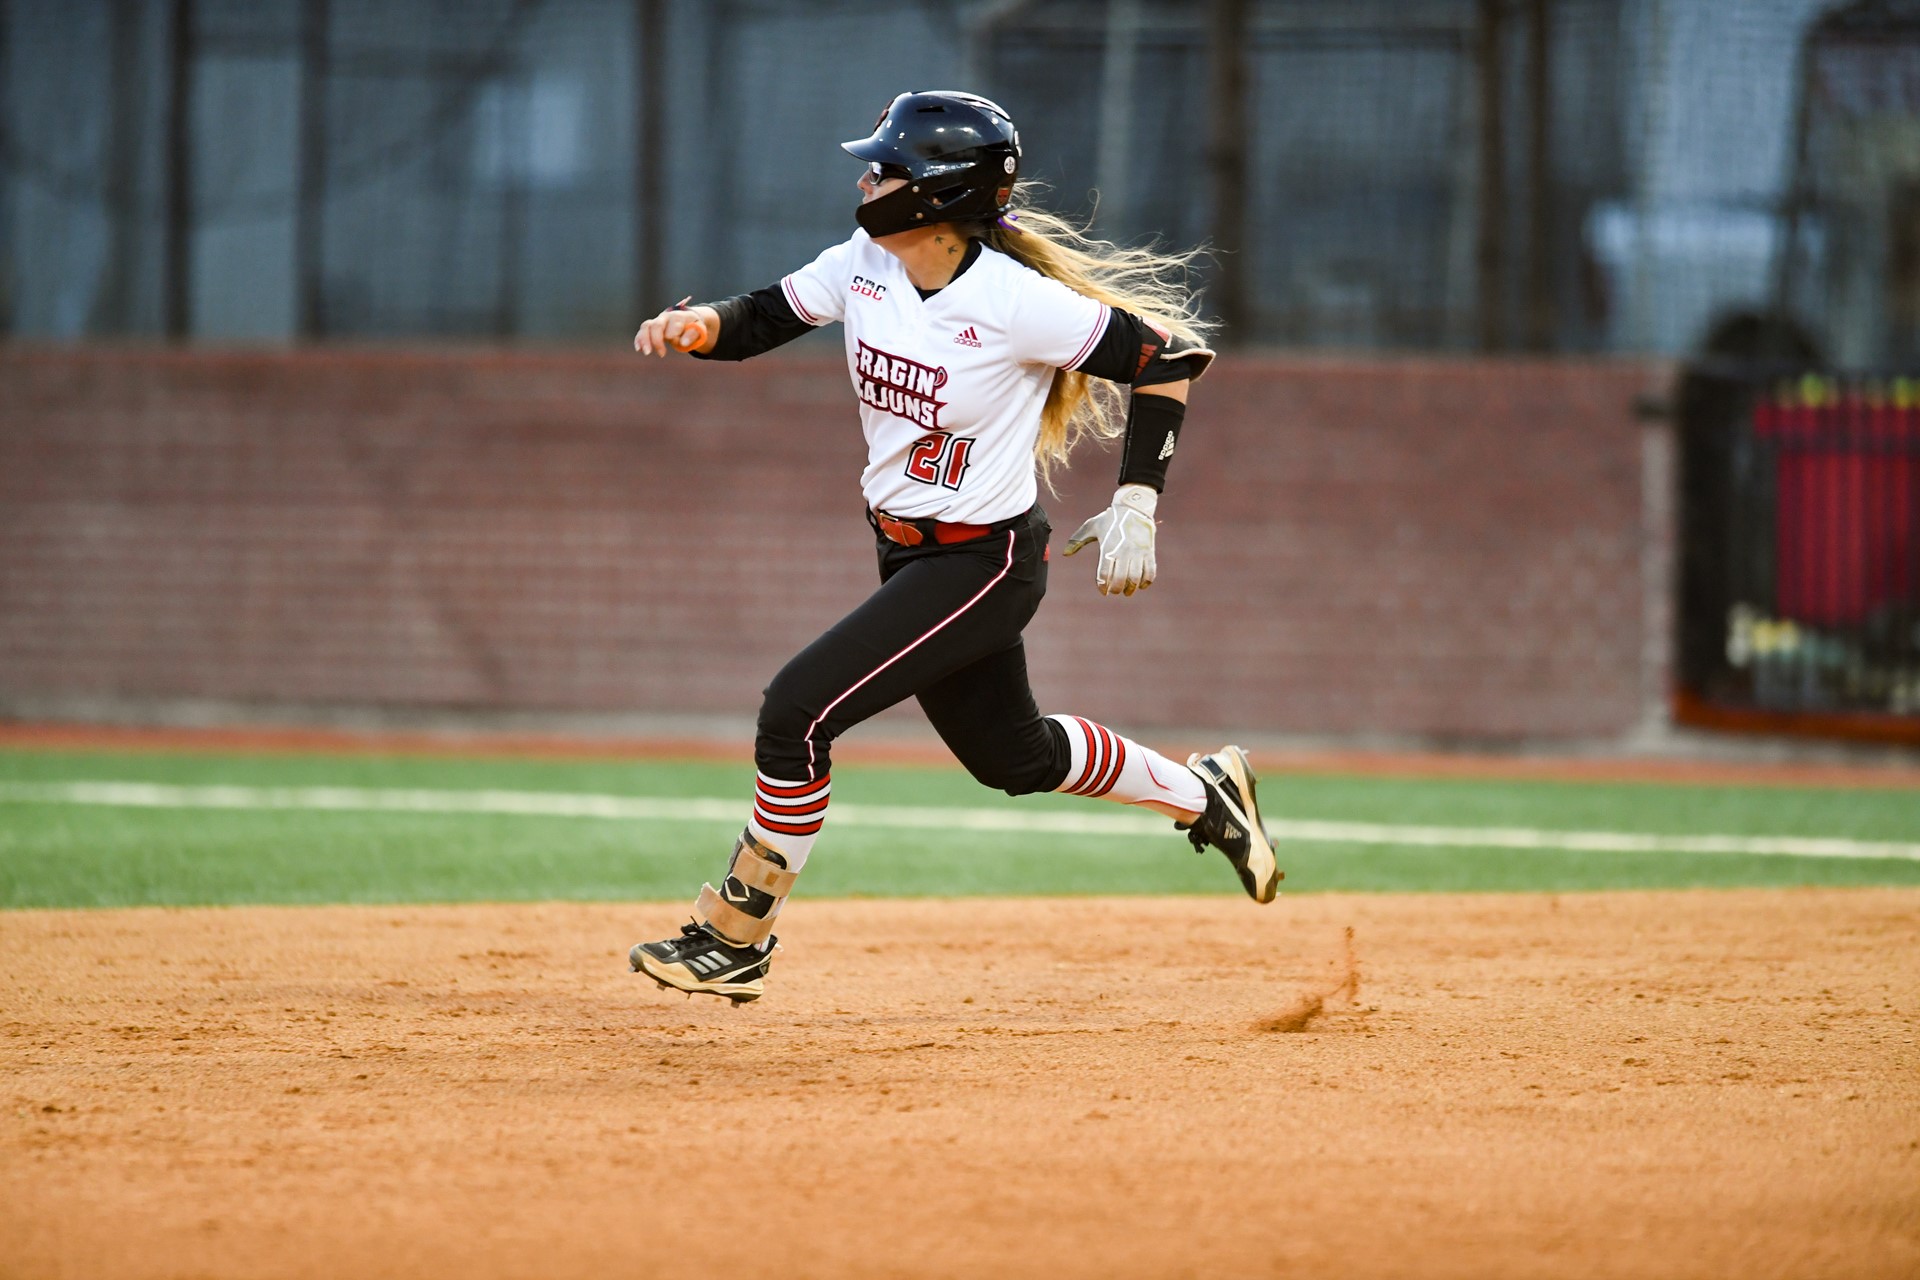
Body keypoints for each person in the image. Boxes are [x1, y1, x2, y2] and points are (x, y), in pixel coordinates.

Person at [628, 91, 1279, 1004]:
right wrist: (703, 329)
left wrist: (1139, 499)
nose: (867, 180)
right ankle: (1204, 792)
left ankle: (739, 935)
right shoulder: (868, 262)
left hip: (984, 563)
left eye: (886, 168)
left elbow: (1168, 357)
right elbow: (767, 316)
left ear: (934, 197)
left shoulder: (1013, 302)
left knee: (797, 713)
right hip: (906, 552)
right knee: (1010, 757)